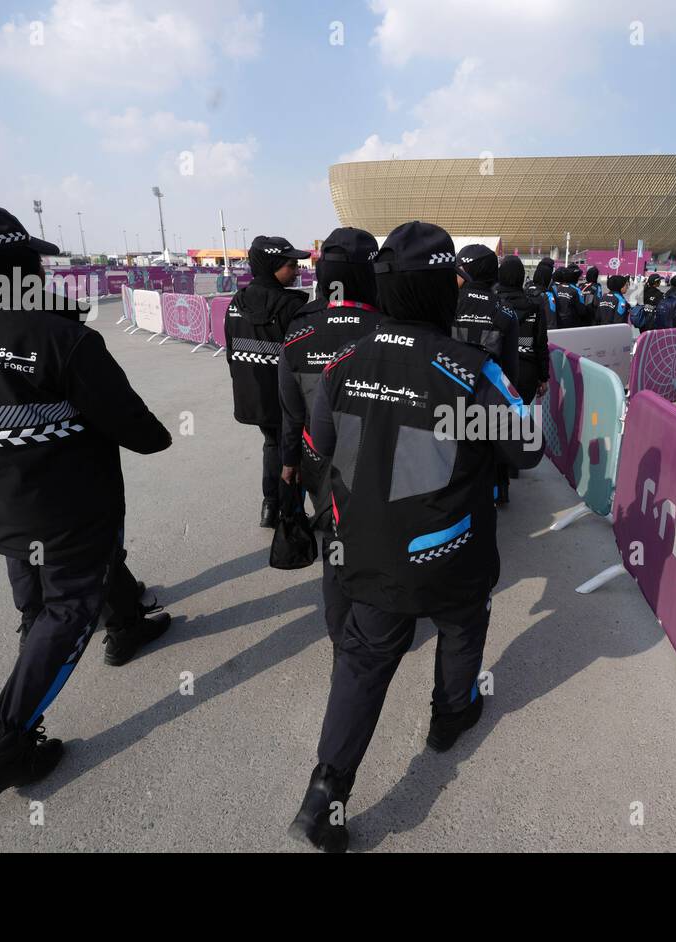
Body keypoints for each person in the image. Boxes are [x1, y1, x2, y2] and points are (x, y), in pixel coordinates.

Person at [287, 221, 542, 852]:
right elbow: (527, 450)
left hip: (369, 550)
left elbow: (317, 449)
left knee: (362, 659)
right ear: (440, 290)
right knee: (462, 623)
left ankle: (324, 794)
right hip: (451, 548)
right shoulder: (470, 368)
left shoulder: (343, 360)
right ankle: (449, 716)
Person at [0, 203, 172, 807]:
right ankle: (4, 746)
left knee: (39, 592)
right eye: (33, 262)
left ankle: (128, 624)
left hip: (3, 505)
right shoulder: (62, 337)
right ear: (14, 266)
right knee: (67, 613)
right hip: (74, 511)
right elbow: (139, 430)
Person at [279, 227, 384, 640]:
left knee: (334, 547)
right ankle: (379, 623)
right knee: (381, 542)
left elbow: (289, 411)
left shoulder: (300, 329)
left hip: (319, 462)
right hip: (380, 461)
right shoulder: (389, 328)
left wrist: (289, 462)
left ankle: (341, 632)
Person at [224, 235, 310, 528]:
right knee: (293, 450)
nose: (297, 271)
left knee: (272, 444)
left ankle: (270, 507)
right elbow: (301, 359)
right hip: (287, 398)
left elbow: (231, 351)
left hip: (253, 395)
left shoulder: (236, 302)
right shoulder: (291, 306)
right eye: (291, 265)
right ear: (273, 265)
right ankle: (291, 512)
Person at [453, 244, 520, 505]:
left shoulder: (447, 305)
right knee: (487, 456)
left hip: (446, 397)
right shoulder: (505, 313)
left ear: (467, 272)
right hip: (488, 402)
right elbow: (511, 369)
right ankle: (496, 494)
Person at [497, 255, 549, 405]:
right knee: (519, 420)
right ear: (521, 277)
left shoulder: (493, 304)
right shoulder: (535, 306)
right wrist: (543, 377)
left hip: (497, 371)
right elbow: (540, 344)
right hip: (527, 374)